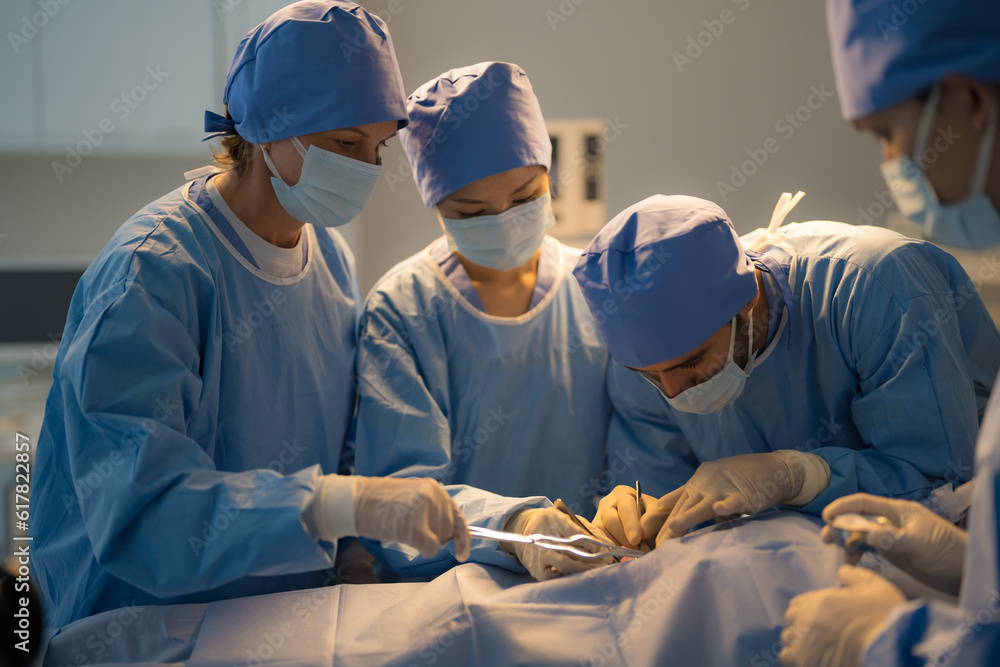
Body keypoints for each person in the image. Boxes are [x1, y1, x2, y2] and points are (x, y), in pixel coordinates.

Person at [30, 1, 469, 629]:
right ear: (266, 127)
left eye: (378, 148)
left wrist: (357, 548)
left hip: (275, 628)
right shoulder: (153, 272)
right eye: (345, 143)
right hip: (140, 634)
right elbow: (142, 516)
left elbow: (342, 447)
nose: (366, 170)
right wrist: (333, 506)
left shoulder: (332, 263)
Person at [573, 191, 1000, 551]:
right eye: (649, 374)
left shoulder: (872, 287)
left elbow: (945, 495)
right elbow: (676, 522)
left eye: (691, 362)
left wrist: (798, 476)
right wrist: (642, 519)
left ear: (744, 305)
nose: (673, 392)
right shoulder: (643, 359)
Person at [780, 1, 1000, 664]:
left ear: (967, 99)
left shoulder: (873, 280)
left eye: (887, 134)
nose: (895, 163)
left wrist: (893, 642)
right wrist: (970, 568)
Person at [353, 61, 615, 581]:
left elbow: (646, 447)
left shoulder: (600, 287)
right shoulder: (404, 310)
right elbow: (402, 498)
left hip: (604, 571)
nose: (502, 222)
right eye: (472, 213)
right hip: (460, 587)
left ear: (548, 174)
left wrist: (631, 522)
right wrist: (517, 528)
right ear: (435, 204)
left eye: (522, 199)